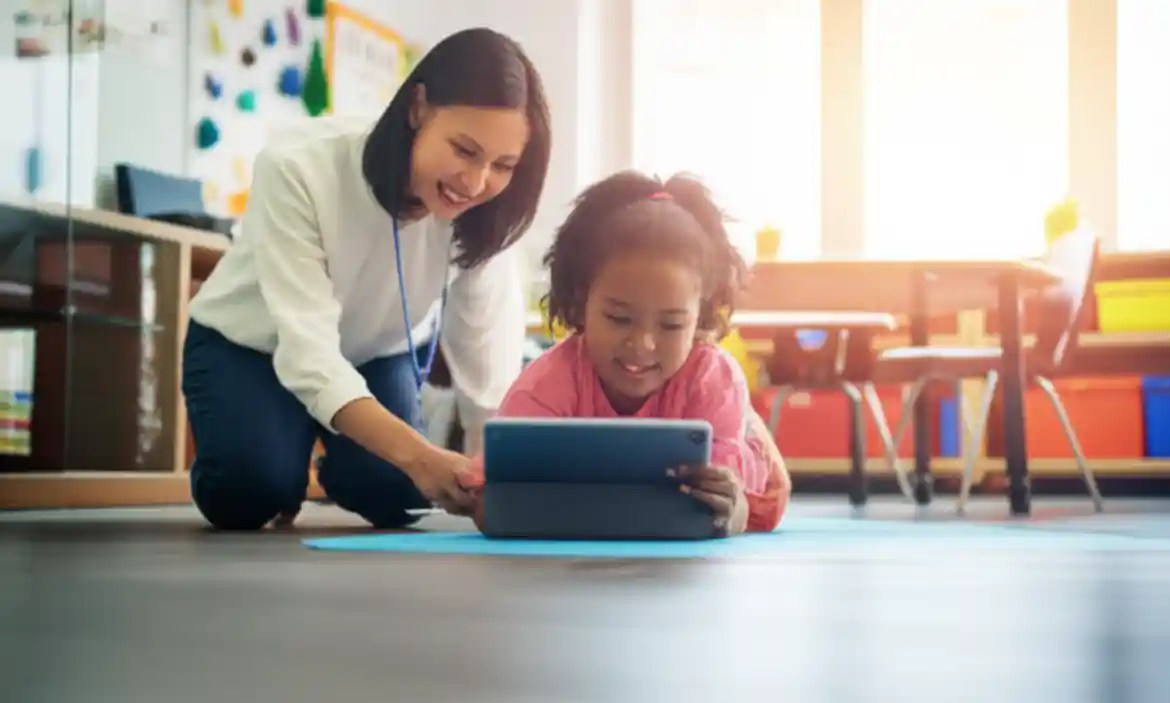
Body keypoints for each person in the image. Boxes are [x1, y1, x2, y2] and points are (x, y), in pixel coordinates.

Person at [182, 28, 551, 531]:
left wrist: (496, 481)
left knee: (399, 498)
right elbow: (308, 355)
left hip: (374, 351)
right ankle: (279, 454)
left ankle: (328, 458)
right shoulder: (299, 165)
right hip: (249, 347)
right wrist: (420, 455)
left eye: (503, 164)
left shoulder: (488, 211)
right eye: (464, 149)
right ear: (418, 107)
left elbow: (486, 363)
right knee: (247, 495)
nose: (476, 182)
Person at [462, 171, 792, 535]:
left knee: (758, 499)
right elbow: (488, 501)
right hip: (598, 511)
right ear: (578, 301)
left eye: (671, 325)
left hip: (739, 453)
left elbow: (723, 506)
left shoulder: (711, 378)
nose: (643, 344)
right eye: (619, 318)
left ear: (700, 317)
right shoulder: (544, 386)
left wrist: (734, 509)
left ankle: (748, 426)